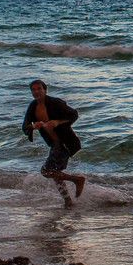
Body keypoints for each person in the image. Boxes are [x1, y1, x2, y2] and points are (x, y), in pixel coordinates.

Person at [22, 79, 85, 207]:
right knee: (56, 173)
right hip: (54, 144)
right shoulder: (33, 106)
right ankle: (68, 202)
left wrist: (57, 122)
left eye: (39, 88)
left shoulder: (55, 102)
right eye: (33, 90)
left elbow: (74, 114)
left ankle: (77, 180)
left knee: (46, 171)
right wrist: (33, 126)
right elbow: (25, 127)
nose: (36, 92)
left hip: (66, 142)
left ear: (45, 90)